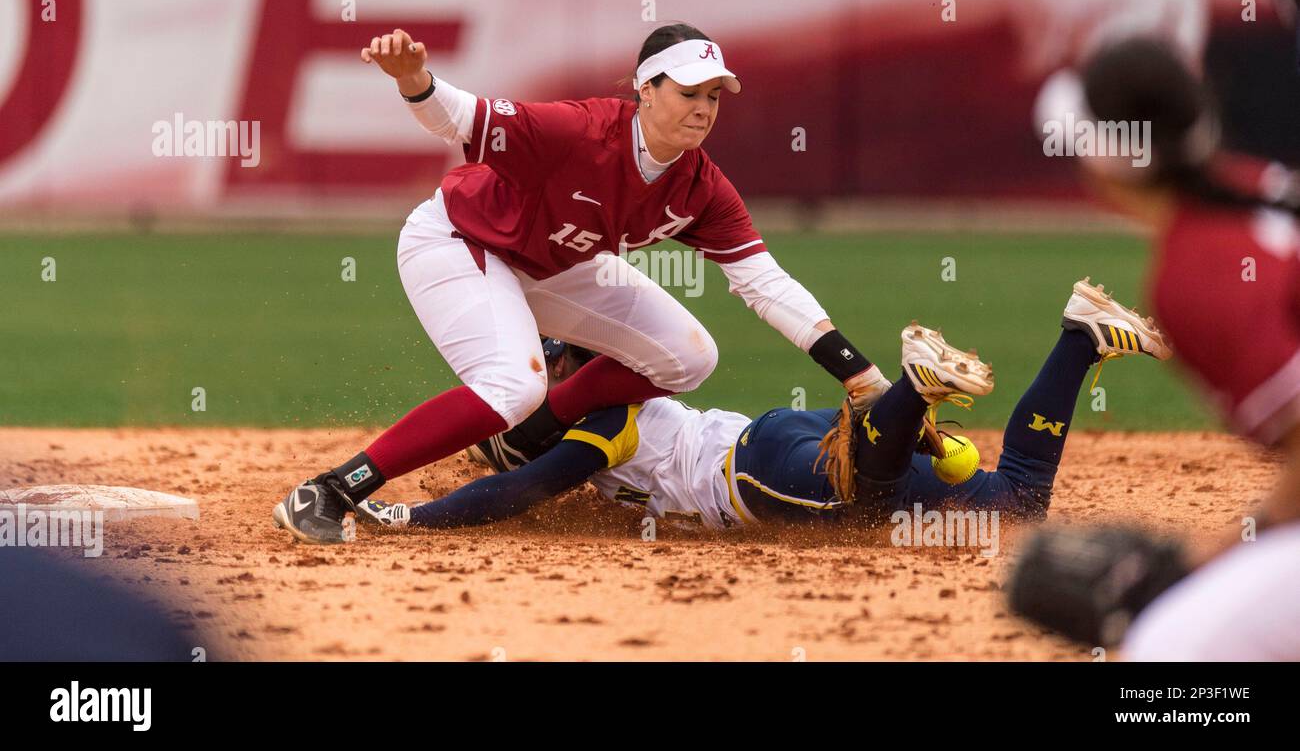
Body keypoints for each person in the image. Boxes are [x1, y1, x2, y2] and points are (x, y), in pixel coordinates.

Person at [272, 23, 891, 544]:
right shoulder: (578, 131)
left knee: (689, 355)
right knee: (512, 384)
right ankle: (328, 490)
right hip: (460, 241)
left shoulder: (701, 187)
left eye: (715, 97)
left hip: (551, 263)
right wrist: (413, 78)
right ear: (646, 90)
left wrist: (858, 375)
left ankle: (527, 438)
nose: (703, 108)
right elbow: (456, 117)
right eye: (688, 92)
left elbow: (764, 283)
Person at [355, 279, 1169, 532]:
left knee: (863, 496)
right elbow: (517, 462)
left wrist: (415, 521)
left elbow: (525, 489)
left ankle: (915, 388)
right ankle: (1081, 336)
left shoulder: (600, 422)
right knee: (1017, 500)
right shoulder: (614, 394)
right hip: (780, 434)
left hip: (758, 474)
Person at [1012, 37, 1300, 660]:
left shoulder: (1196, 276)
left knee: (1167, 655)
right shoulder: (1261, 187)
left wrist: (1204, 564)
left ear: (1102, 160)